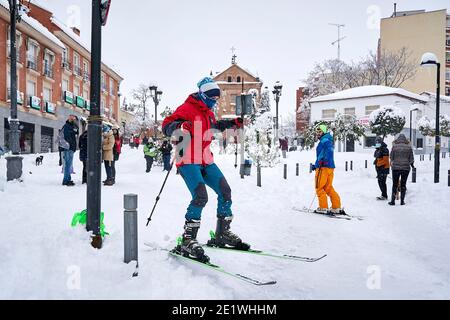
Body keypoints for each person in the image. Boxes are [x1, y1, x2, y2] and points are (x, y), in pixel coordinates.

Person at [162, 77, 247, 263]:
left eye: (216, 98)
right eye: (211, 97)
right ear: (202, 94)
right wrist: (179, 127)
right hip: (188, 159)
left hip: (206, 159)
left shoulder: (208, 113)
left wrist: (233, 123)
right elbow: (166, 126)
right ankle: (188, 239)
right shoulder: (186, 108)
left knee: (225, 191)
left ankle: (222, 233)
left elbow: (214, 126)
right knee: (200, 196)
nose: (214, 101)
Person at [311, 124, 344, 215]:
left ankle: (323, 207)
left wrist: (323, 162)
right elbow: (324, 153)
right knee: (328, 188)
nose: (318, 133)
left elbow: (329, 151)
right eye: (317, 132)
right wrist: (316, 165)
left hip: (324, 168)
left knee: (319, 188)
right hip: (329, 167)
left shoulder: (325, 140)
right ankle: (336, 207)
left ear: (324, 132)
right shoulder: (327, 139)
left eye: (320, 131)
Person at [389, 134, 414, 206]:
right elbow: (411, 159)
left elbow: (391, 157)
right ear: (405, 140)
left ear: (398, 139)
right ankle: (402, 201)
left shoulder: (394, 147)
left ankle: (393, 201)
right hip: (405, 168)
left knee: (394, 184)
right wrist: (408, 163)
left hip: (396, 168)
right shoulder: (409, 147)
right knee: (403, 184)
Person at [60, 115, 79, 186]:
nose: (75, 121)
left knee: (69, 165)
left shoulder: (71, 126)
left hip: (70, 148)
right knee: (67, 165)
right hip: (68, 148)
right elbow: (67, 137)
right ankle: (65, 180)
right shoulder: (67, 126)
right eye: (74, 120)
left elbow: (76, 132)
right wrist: (70, 146)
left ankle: (68, 179)